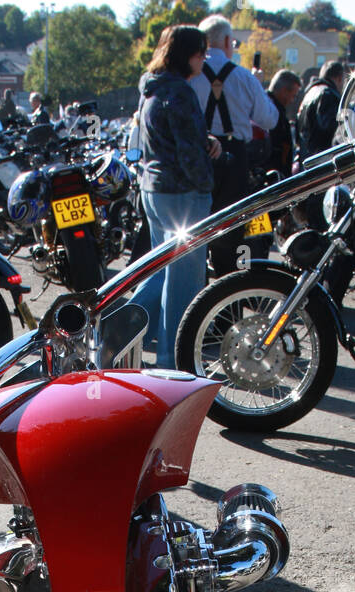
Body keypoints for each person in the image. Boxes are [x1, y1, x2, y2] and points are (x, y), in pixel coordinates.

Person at [128, 25, 220, 368]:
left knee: (159, 274)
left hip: (154, 189)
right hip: (183, 194)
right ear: (188, 54)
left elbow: (167, 137)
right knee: (184, 281)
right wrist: (206, 182)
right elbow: (187, 152)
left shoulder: (152, 87)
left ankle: (113, 336)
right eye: (201, 52)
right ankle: (173, 363)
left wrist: (204, 140)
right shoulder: (180, 91)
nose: (204, 58)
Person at [188, 14, 278, 277]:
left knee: (194, 229)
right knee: (230, 231)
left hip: (197, 153)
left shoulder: (189, 75)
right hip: (234, 157)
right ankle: (227, 302)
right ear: (227, 40)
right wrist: (257, 86)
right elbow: (269, 119)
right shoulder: (244, 77)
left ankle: (194, 296)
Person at [296, 60, 344, 161]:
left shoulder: (308, 94)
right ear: (340, 78)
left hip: (307, 160)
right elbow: (332, 128)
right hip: (321, 161)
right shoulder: (328, 94)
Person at [267, 68, 301, 179]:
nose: (292, 101)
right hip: (272, 176)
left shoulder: (272, 108)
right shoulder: (270, 112)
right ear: (284, 90)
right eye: (293, 96)